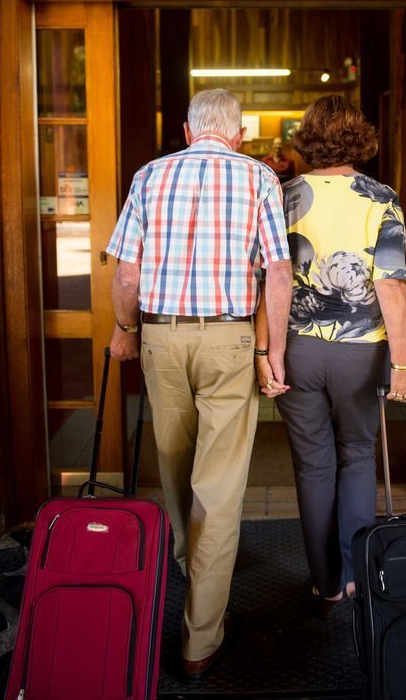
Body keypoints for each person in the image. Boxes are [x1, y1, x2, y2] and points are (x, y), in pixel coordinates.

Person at [106, 88, 293, 680]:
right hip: (229, 340)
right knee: (219, 484)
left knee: (173, 462)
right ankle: (199, 639)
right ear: (237, 134)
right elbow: (279, 272)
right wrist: (274, 353)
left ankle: (194, 571)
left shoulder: (149, 175)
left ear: (189, 132)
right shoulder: (258, 177)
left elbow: (127, 269)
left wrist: (123, 330)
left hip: (162, 338)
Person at [254, 95, 406, 614]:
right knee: (356, 457)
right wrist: (402, 364)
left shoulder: (282, 195)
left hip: (297, 348)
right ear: (360, 138)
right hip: (360, 354)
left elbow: (268, 281)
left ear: (308, 139)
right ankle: (355, 578)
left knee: (313, 466)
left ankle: (325, 582)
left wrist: (266, 352)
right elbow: (390, 285)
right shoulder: (381, 198)